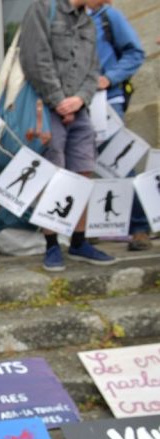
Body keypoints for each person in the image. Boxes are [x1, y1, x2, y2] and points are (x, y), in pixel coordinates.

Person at [19, 0, 117, 272]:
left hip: (80, 110)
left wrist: (80, 99)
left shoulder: (88, 21)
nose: (107, 2)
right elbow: (34, 60)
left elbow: (93, 69)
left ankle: (78, 241)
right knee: (52, 176)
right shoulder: (44, 8)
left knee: (83, 173)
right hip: (47, 107)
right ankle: (51, 245)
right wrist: (59, 100)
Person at [87, 0, 151, 251]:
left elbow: (135, 53)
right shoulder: (65, 20)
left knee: (118, 164)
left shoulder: (108, 16)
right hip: (75, 103)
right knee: (80, 165)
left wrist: (109, 78)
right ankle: (86, 228)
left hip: (107, 101)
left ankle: (139, 227)